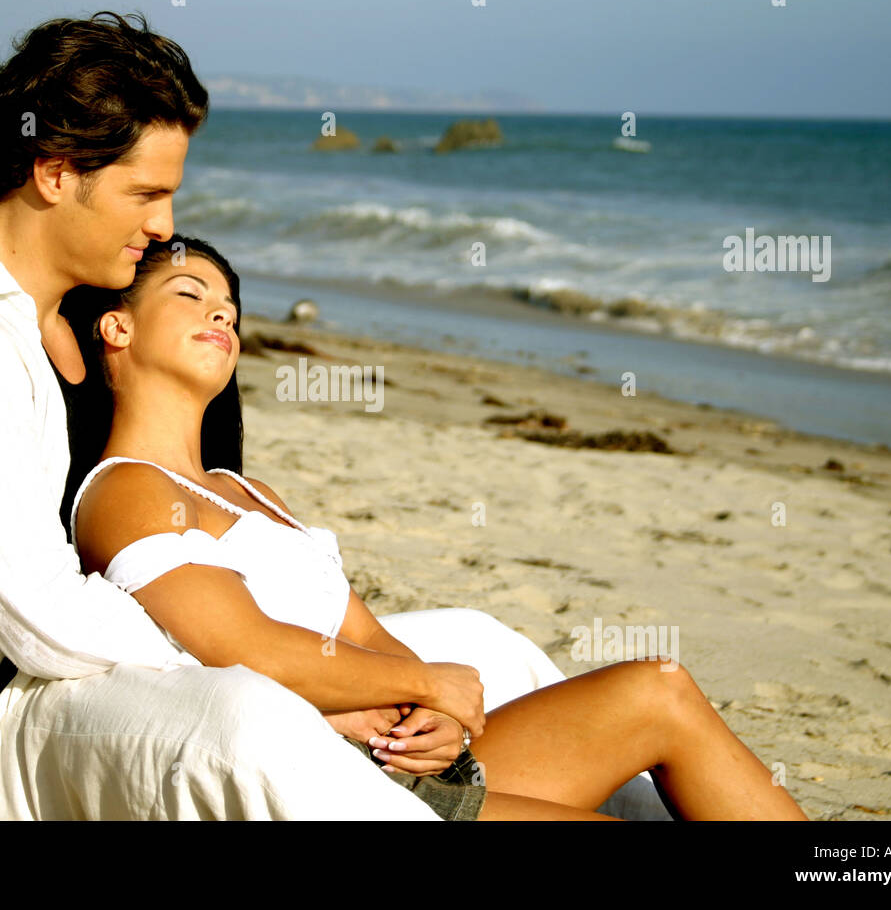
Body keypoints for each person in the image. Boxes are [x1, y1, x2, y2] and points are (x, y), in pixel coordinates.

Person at [0, 9, 665, 820]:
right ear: (55, 174)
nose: (165, 226)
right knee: (254, 723)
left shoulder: (76, 311)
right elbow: (41, 621)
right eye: (146, 194)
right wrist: (293, 674)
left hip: (145, 648)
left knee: (486, 646)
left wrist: (363, 669)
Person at [63, 234, 812, 821]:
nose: (221, 313)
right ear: (116, 327)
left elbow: (365, 631)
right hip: (342, 790)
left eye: (229, 305)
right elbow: (249, 648)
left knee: (660, 688)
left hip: (409, 761)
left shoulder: (246, 490)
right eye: (191, 294)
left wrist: (440, 714)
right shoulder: (127, 489)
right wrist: (424, 682)